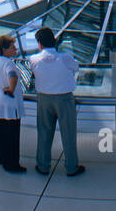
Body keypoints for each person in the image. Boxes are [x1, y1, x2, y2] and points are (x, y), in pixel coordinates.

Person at [30, 28, 84, 177]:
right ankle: (71, 167)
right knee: (68, 133)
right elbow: (76, 67)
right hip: (64, 98)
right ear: (54, 42)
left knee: (44, 132)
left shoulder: (33, 59)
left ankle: (43, 165)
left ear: (39, 44)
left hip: (43, 99)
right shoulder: (65, 57)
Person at [0, 34, 26, 173]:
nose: (15, 49)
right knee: (12, 135)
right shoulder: (8, 63)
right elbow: (13, 76)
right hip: (9, 104)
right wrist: (11, 89)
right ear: (4, 49)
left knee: (0, 133)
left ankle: (0, 158)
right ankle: (11, 164)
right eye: (12, 47)